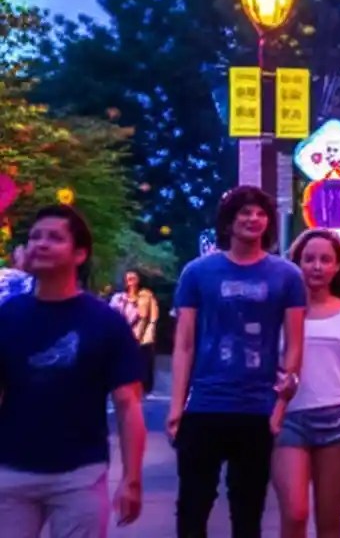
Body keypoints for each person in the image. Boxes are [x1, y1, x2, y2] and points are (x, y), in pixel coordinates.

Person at [168, 186, 308, 538]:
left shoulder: (287, 275)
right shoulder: (197, 273)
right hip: (204, 405)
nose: (253, 218)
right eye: (244, 212)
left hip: (257, 408)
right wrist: (176, 407)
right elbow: (184, 343)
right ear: (228, 222)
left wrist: (279, 407)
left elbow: (294, 346)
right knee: (192, 508)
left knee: (248, 511)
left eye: (260, 213)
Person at [0, 205, 146, 536]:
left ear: (79, 254)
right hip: (10, 472)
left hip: (79, 475)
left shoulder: (105, 322)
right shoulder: (8, 316)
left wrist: (132, 480)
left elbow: (128, 404)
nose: (41, 244)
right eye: (35, 236)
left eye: (54, 237)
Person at [270, 229, 340, 538]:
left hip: (337, 421)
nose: (317, 266)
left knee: (330, 523)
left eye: (325, 260)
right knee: (295, 512)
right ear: (296, 263)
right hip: (289, 419)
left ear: (338, 265)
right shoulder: (280, 312)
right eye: (309, 259)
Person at [110, 270, 160, 394]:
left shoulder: (146, 296)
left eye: (133, 278)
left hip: (142, 337)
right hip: (123, 335)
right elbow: (112, 314)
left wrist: (146, 332)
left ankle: (143, 386)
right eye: (128, 279)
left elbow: (148, 317)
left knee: (142, 361)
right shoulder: (119, 298)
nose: (130, 281)